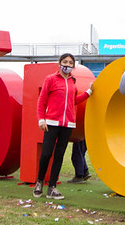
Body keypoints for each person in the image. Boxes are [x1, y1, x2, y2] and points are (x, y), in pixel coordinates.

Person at [34, 54, 93, 200]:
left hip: (68, 124)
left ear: (74, 65)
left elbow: (73, 101)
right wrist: (41, 119)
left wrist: (89, 93)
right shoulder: (50, 79)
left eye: (70, 62)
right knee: (46, 154)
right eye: (65, 62)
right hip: (51, 123)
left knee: (59, 156)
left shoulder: (73, 81)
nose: (67, 64)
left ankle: (52, 188)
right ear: (59, 63)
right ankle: (39, 182)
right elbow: (42, 100)